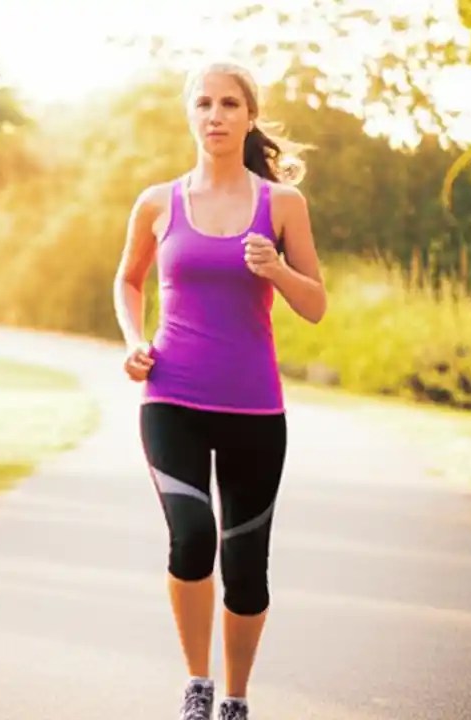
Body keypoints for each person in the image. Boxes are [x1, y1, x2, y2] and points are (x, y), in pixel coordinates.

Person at [111, 58, 327, 720]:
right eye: (203, 103)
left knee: (246, 567)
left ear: (250, 116)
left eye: (230, 104)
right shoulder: (158, 202)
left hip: (254, 409)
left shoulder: (282, 205)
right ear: (190, 114)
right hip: (171, 398)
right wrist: (133, 340)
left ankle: (235, 697)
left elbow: (315, 305)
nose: (216, 115)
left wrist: (277, 270)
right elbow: (128, 280)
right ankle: (197, 685)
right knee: (191, 536)